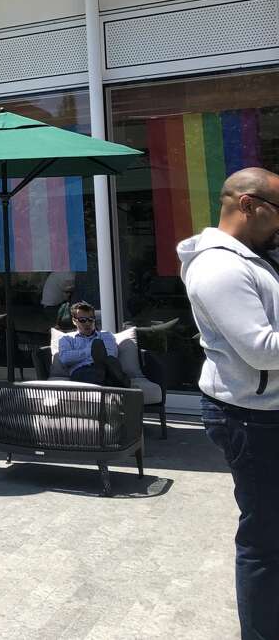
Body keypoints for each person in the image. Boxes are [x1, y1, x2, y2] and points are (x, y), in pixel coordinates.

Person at [180, 167, 279, 640]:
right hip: (251, 420)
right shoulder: (219, 266)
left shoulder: (254, 258)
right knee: (263, 542)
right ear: (247, 205)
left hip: (264, 411)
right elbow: (259, 348)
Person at [56, 301, 130, 388]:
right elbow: (65, 358)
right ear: (74, 321)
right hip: (81, 370)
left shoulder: (105, 335)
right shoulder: (67, 339)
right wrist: (92, 351)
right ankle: (119, 380)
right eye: (82, 320)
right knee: (104, 366)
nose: (87, 323)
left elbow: (111, 354)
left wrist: (81, 355)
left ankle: (109, 377)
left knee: (108, 361)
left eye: (90, 319)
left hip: (106, 367)